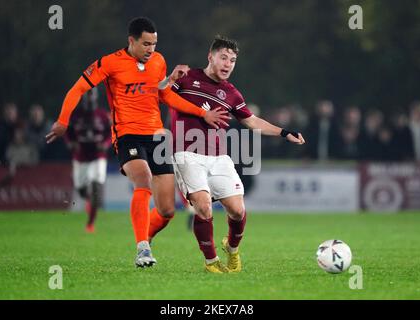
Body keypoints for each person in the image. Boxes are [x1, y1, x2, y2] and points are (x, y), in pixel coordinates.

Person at [45, 17, 228, 268]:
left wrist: (202, 113)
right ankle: (142, 249)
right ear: (131, 41)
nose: (150, 49)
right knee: (143, 179)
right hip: (126, 133)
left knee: (167, 211)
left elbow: (163, 95)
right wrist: (63, 121)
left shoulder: (158, 61)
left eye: (153, 43)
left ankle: (146, 238)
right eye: (145, 44)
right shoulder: (110, 63)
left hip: (155, 135)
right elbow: (77, 89)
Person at [147, 35, 305, 273]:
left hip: (219, 158)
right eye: (223, 57)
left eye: (232, 60)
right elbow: (155, 94)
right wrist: (169, 79)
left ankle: (231, 249)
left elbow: (251, 121)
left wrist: (283, 132)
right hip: (186, 155)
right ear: (210, 57)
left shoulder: (231, 92)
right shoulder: (187, 78)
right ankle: (211, 262)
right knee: (202, 206)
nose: (228, 64)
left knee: (238, 210)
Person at [65, 88, 111, 233]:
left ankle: (90, 224)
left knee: (97, 192)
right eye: (88, 95)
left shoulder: (103, 115)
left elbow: (111, 132)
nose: (90, 99)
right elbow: (67, 131)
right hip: (81, 157)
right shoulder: (76, 115)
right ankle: (88, 200)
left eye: (92, 95)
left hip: (98, 157)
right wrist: (70, 142)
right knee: (81, 190)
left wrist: (106, 144)